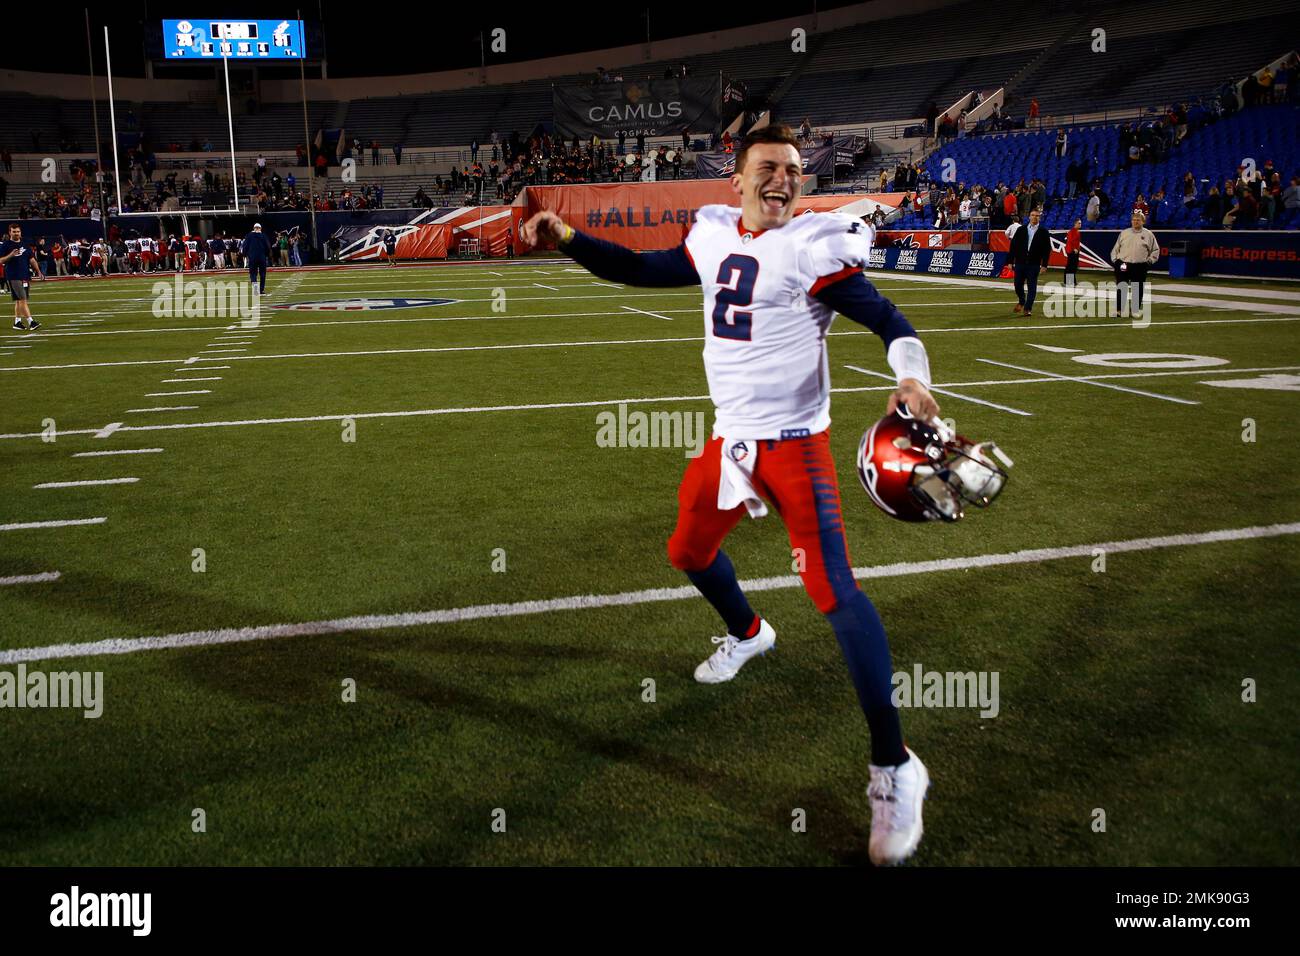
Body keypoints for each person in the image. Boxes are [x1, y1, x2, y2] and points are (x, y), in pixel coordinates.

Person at [519, 125, 937, 866]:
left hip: (797, 446)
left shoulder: (813, 248)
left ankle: (895, 766)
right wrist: (571, 238)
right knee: (686, 550)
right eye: (768, 168)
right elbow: (645, 269)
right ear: (735, 179)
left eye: (794, 171)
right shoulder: (712, 234)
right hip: (732, 440)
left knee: (835, 593)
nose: (783, 180)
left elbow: (888, 319)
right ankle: (749, 634)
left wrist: (912, 378)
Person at [1110, 211, 1159, 316]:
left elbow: (1155, 250)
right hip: (1123, 264)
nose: (1135, 222)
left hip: (1140, 266)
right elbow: (1116, 249)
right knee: (1121, 287)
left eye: (1138, 220)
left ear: (1143, 222)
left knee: (1138, 288)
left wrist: (1149, 261)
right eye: (1134, 220)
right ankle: (1119, 310)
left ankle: (1135, 311)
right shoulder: (1124, 233)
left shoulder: (1148, 234)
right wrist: (1115, 261)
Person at [1, 222, 45, 331]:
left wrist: (39, 271)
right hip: (14, 275)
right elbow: (0, 260)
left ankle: (17, 322)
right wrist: (11, 254)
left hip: (24, 275)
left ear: (20, 232)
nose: (16, 233)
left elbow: (31, 259)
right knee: (22, 299)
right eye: (14, 232)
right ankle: (31, 322)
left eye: (18, 231)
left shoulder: (25, 244)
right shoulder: (5, 245)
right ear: (10, 232)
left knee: (18, 300)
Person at [1009, 208, 1052, 316]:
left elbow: (1047, 250)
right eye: (1032, 215)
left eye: (1037, 216)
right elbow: (1013, 246)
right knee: (1017, 285)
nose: (1034, 217)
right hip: (1020, 262)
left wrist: (1044, 265)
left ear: (1039, 218)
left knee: (1032, 286)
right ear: (1029, 217)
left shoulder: (1043, 232)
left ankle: (1028, 308)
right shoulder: (1021, 229)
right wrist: (1010, 261)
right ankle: (1022, 300)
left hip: (1034, 264)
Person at [242, 223, 271, 293]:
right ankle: (261, 290)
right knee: (262, 274)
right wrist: (266, 255)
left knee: (253, 274)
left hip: (252, 257)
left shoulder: (249, 236)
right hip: (262, 257)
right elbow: (268, 247)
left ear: (254, 228)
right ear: (260, 228)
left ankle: (256, 290)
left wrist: (244, 254)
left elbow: (245, 246)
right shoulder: (263, 236)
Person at [1064, 218, 1082, 288]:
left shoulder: (1077, 231)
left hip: (1074, 251)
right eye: (1079, 223)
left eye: (1080, 223)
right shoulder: (1072, 231)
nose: (1080, 224)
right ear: (1075, 224)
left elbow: (1075, 242)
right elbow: (1070, 241)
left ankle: (1071, 281)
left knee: (1072, 266)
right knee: (1071, 267)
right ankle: (1069, 282)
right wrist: (1074, 249)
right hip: (1072, 251)